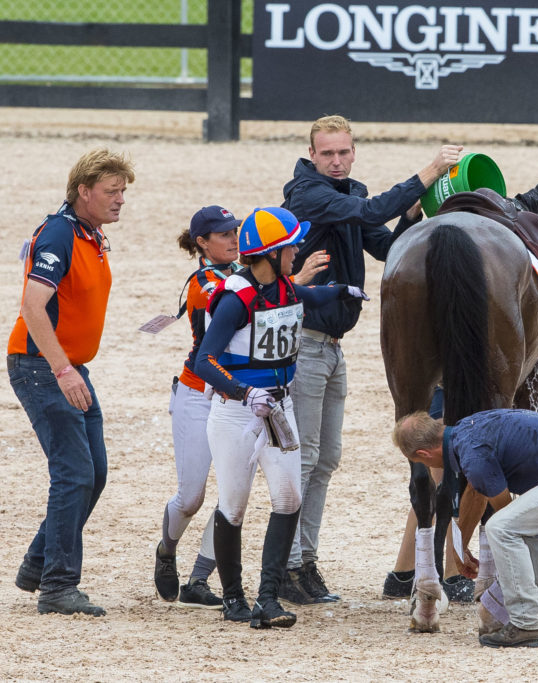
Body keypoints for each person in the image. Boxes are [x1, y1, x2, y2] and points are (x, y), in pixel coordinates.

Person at [280, 113, 464, 604]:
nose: (336, 161)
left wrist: (416, 215)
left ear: (353, 151)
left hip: (332, 347)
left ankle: (305, 564)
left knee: (325, 460)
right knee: (304, 459)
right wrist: (425, 174)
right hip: (304, 342)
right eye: (327, 154)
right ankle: (288, 567)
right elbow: (367, 213)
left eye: (344, 152)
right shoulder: (306, 193)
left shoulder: (346, 193)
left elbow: (385, 244)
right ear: (312, 155)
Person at [194, 206, 369, 629]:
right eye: (291, 246)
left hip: (279, 408)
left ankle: (268, 598)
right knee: (233, 507)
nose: (297, 251)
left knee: (288, 499)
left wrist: (344, 290)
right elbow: (204, 361)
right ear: (271, 254)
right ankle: (234, 597)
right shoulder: (236, 299)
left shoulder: (285, 287)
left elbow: (310, 296)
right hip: (238, 413)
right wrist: (244, 390)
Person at [154, 205, 328, 610]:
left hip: (257, 396)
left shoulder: (254, 278)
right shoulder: (209, 285)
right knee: (193, 497)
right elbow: (232, 309)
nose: (233, 239)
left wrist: (291, 287)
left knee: (253, 496)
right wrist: (289, 285)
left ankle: (205, 580)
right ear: (202, 243)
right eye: (222, 234)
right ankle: (167, 550)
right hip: (204, 392)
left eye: (236, 231)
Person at [7, 148, 135, 617]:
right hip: (43, 366)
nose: (120, 199)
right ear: (84, 191)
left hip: (67, 366)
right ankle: (58, 587)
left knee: (93, 473)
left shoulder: (89, 233)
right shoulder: (61, 233)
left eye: (123, 191)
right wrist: (62, 370)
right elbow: (33, 307)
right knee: (74, 474)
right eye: (111, 191)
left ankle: (39, 564)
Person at [392, 409, 538, 648]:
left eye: (421, 463)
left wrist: (464, 553)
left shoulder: (472, 453)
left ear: (423, 454)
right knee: (523, 525)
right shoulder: (468, 430)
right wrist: (460, 551)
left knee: (502, 527)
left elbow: (503, 510)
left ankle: (527, 623)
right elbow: (475, 489)